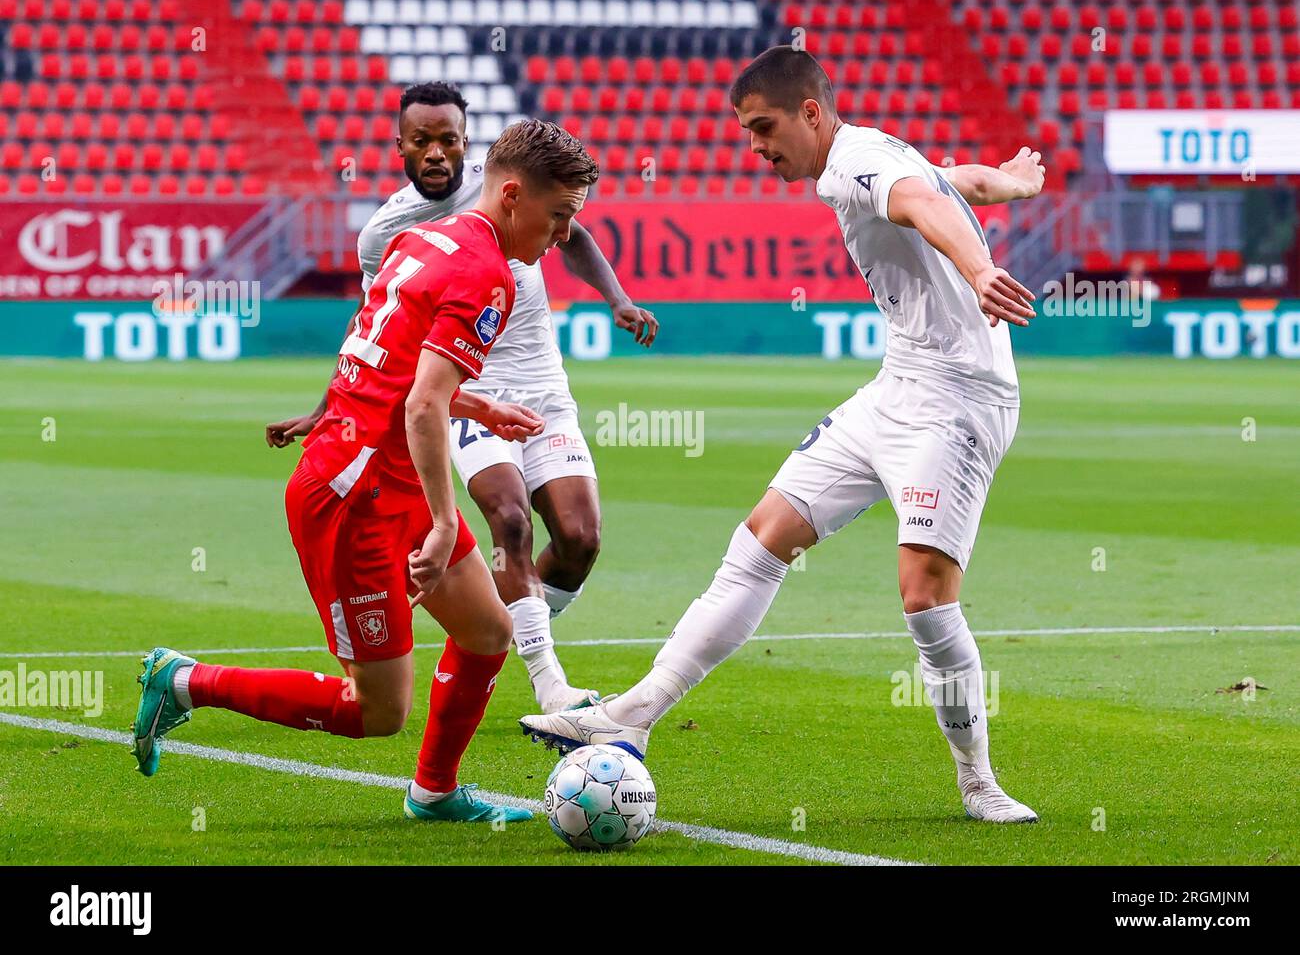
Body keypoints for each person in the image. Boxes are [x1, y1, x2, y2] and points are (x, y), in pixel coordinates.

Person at [520, 47, 1046, 823]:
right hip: (897, 386)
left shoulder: (853, 162)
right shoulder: (867, 154)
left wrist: (975, 271)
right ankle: (634, 714)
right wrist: (1009, 182)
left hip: (959, 404)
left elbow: (924, 206)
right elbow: (951, 183)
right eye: (745, 131)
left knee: (925, 598)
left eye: (764, 127)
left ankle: (979, 780)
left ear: (810, 113)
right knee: (764, 537)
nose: (756, 145)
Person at [134, 119, 599, 823]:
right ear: (511, 195)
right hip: (351, 497)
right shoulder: (488, 274)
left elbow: (395, 362)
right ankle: (188, 682)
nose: (562, 235)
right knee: (376, 710)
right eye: (558, 216)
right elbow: (420, 408)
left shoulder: (427, 239)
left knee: (486, 633)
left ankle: (434, 793)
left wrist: (475, 402)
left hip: (388, 473)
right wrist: (446, 523)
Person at [268, 82, 658, 714]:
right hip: (457, 387)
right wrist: (327, 408)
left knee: (581, 538)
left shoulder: (516, 188)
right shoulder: (387, 232)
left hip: (540, 388)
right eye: (421, 141)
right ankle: (544, 676)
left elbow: (575, 234)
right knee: (509, 520)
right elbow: (378, 322)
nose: (437, 153)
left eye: (449, 139)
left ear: (466, 142)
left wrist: (617, 299)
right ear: (399, 145)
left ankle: (508, 632)